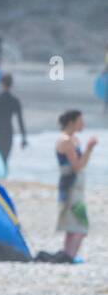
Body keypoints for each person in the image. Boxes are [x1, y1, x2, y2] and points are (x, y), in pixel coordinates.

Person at [55, 109, 96, 262]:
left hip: (74, 186)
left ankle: (68, 254)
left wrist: (88, 150)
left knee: (72, 225)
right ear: (72, 122)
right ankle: (70, 256)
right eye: (80, 121)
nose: (83, 124)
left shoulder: (73, 139)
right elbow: (77, 166)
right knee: (80, 225)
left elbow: (81, 165)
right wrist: (89, 148)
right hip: (71, 187)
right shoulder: (66, 141)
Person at [0, 74, 28, 169]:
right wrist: (24, 138)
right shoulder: (15, 101)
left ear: (1, 84)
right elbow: (20, 121)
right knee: (4, 160)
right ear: (11, 84)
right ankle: (3, 178)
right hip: (7, 133)